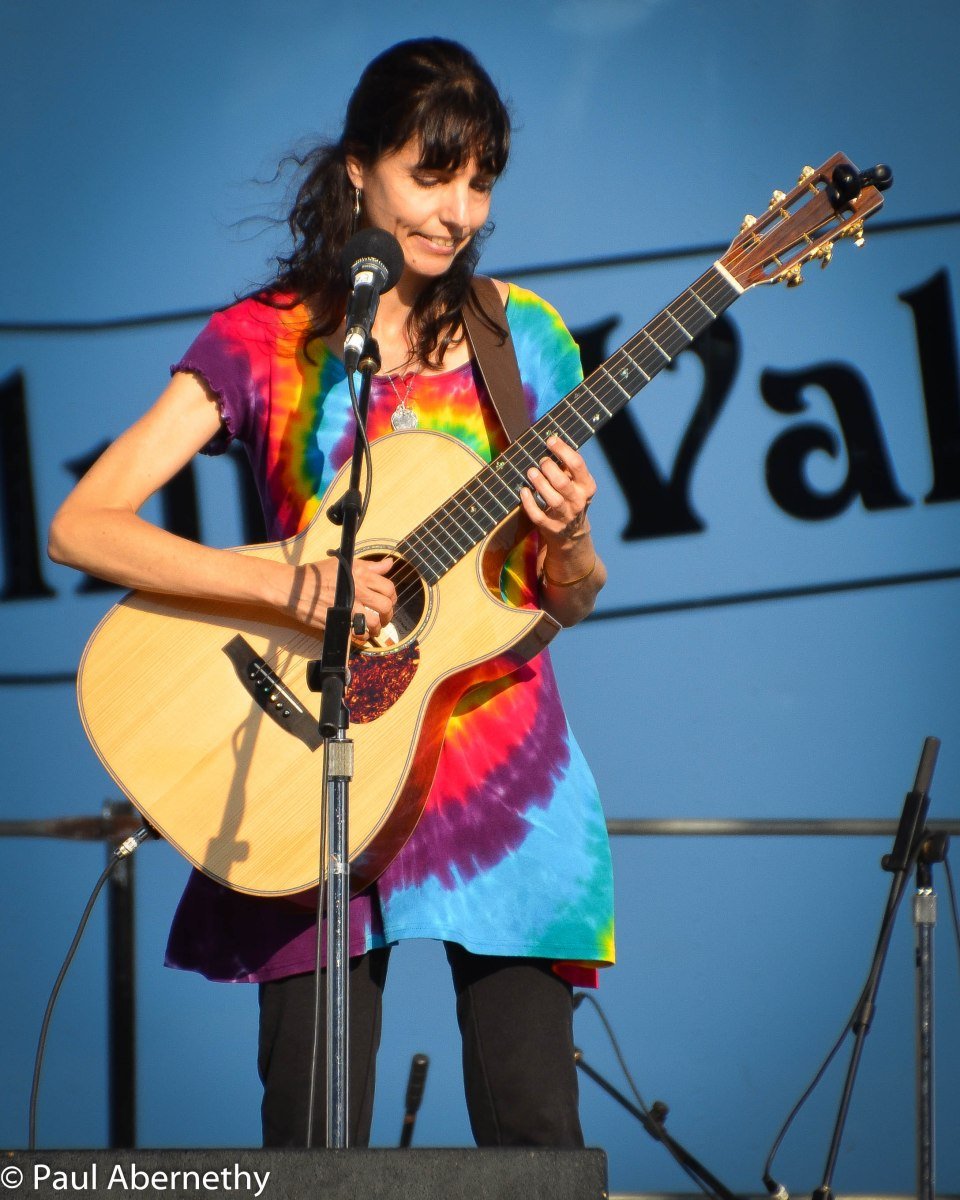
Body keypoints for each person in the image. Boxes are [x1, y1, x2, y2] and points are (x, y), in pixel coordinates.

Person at [49, 37, 615, 1148]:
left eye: (481, 181)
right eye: (432, 174)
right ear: (359, 168)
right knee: (312, 1151)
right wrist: (296, 591)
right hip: (306, 766)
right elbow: (80, 525)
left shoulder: (526, 339)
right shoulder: (264, 343)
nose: (458, 212)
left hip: (501, 785)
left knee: (538, 1142)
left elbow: (571, 595)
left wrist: (573, 536)